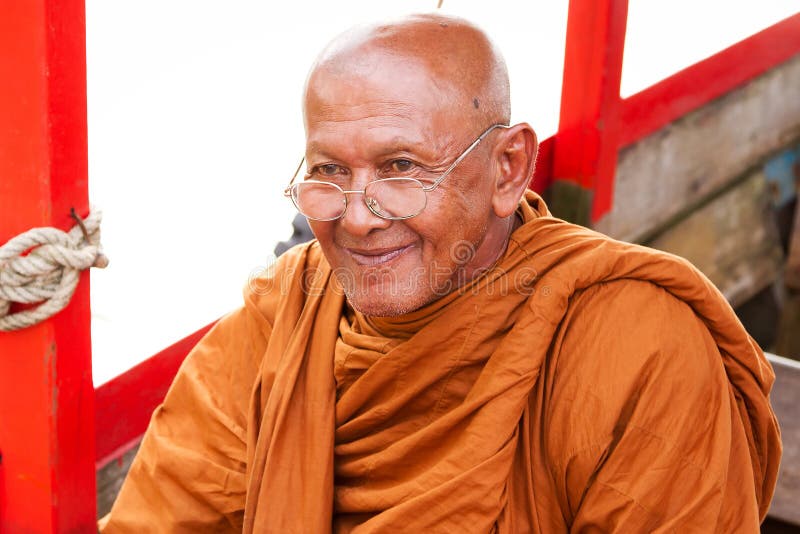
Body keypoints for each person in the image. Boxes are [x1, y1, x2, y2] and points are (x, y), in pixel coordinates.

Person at [100, 13, 781, 533]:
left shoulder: (634, 345)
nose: (358, 218)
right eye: (329, 172)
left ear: (508, 169)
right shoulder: (281, 320)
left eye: (401, 169)